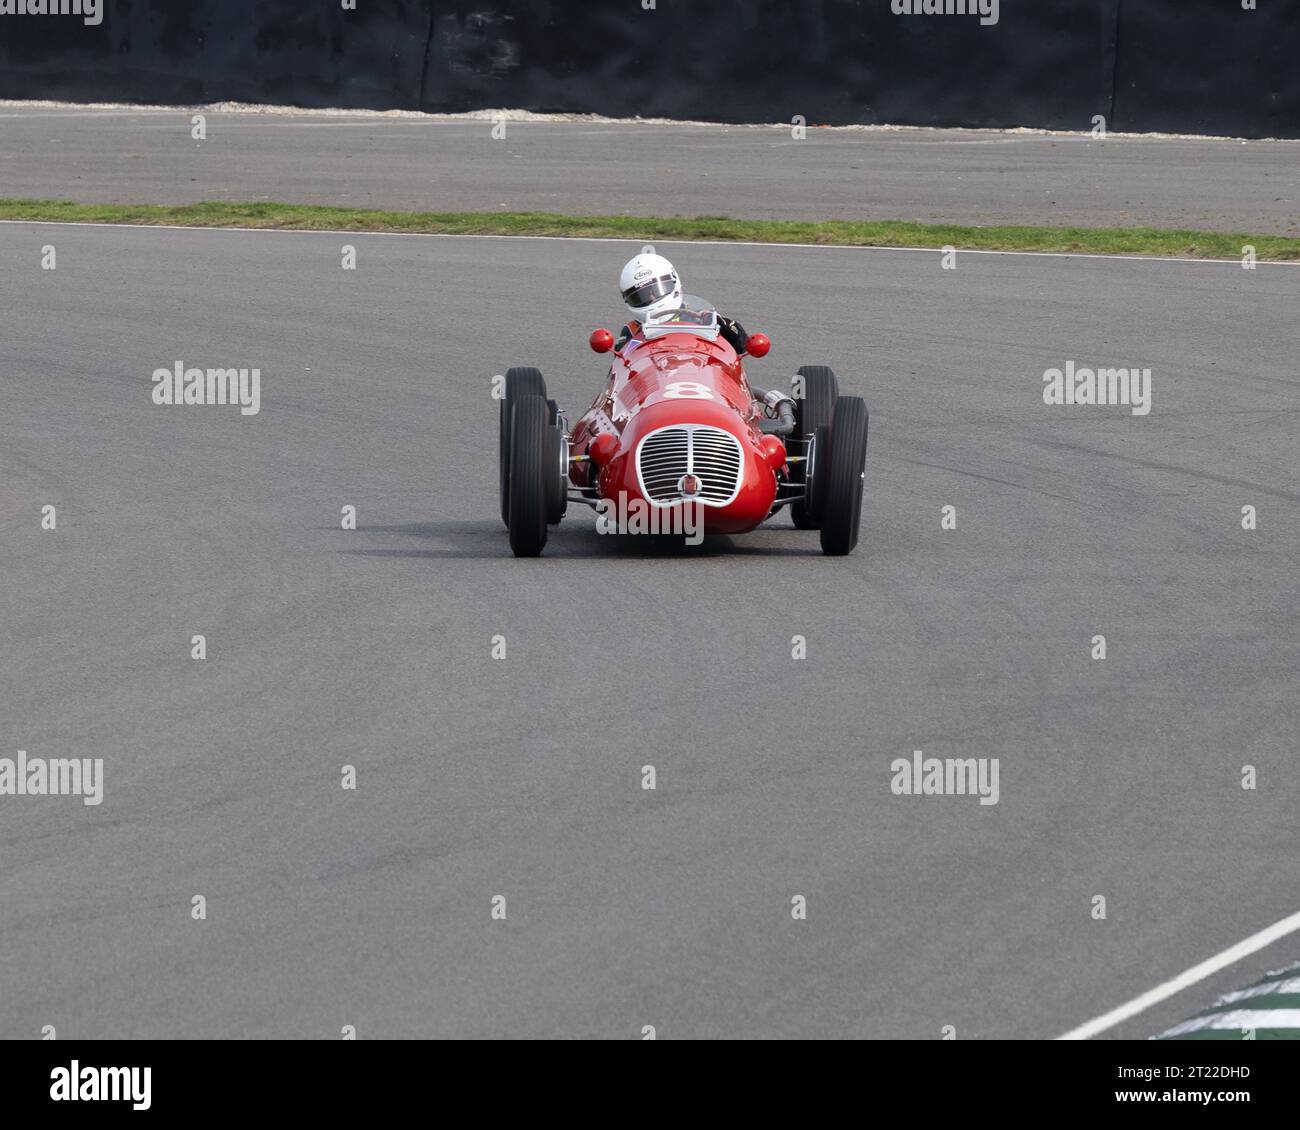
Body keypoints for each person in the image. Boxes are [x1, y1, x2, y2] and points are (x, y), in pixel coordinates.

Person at [614, 253, 749, 355]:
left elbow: (743, 346)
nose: (652, 298)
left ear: (674, 281)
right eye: (640, 297)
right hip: (655, 379)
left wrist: (723, 324)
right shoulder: (631, 331)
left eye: (656, 290)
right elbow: (621, 367)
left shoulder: (702, 318)